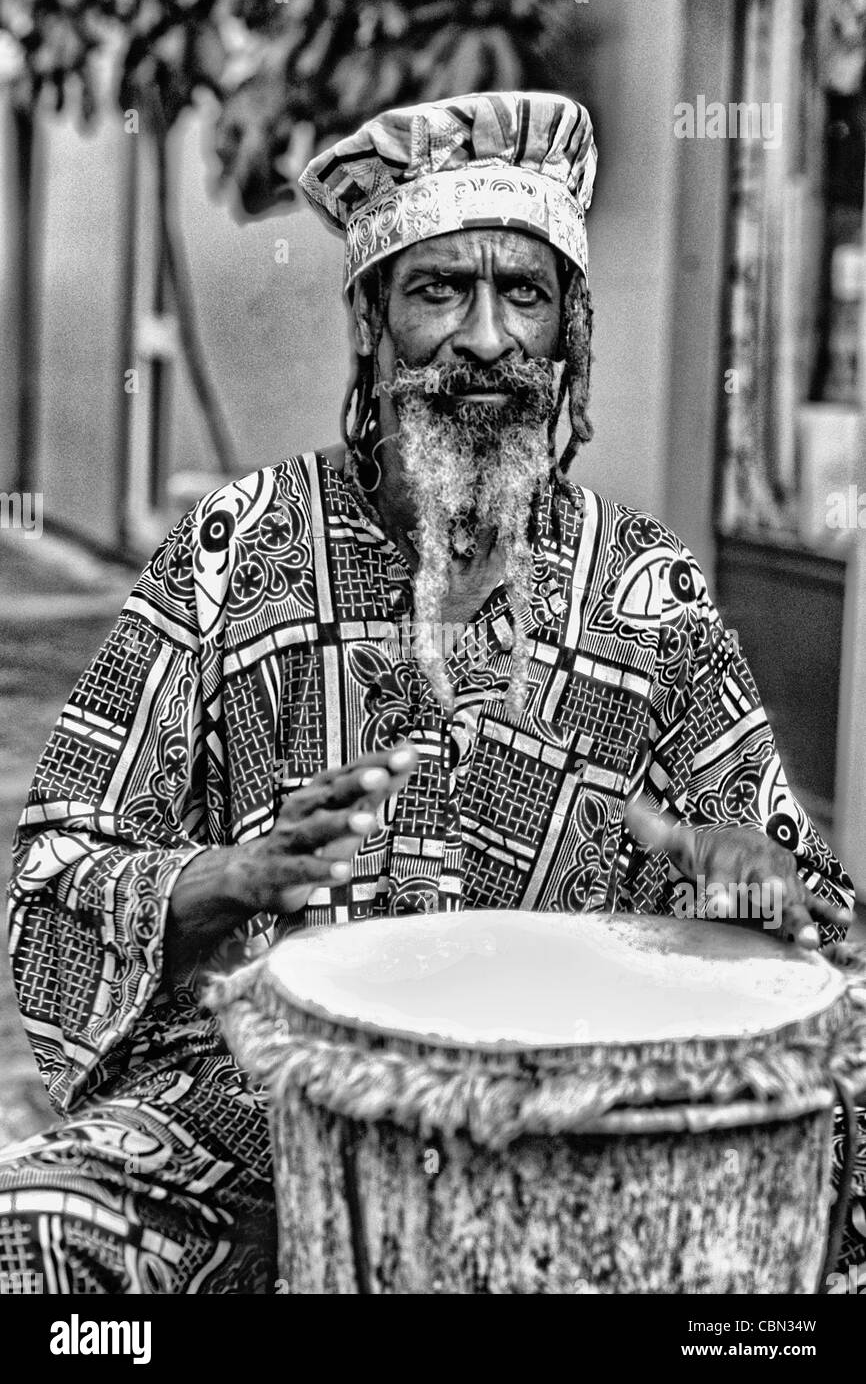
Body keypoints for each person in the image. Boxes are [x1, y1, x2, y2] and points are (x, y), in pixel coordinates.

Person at [0, 91, 859, 1294]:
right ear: (369, 320)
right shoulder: (235, 549)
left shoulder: (649, 593)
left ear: (571, 331)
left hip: (573, 1115)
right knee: (34, 1235)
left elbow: (807, 911)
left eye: (525, 293)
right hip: (262, 1094)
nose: (488, 339)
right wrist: (220, 878)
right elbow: (57, 867)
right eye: (439, 290)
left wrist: (748, 875)